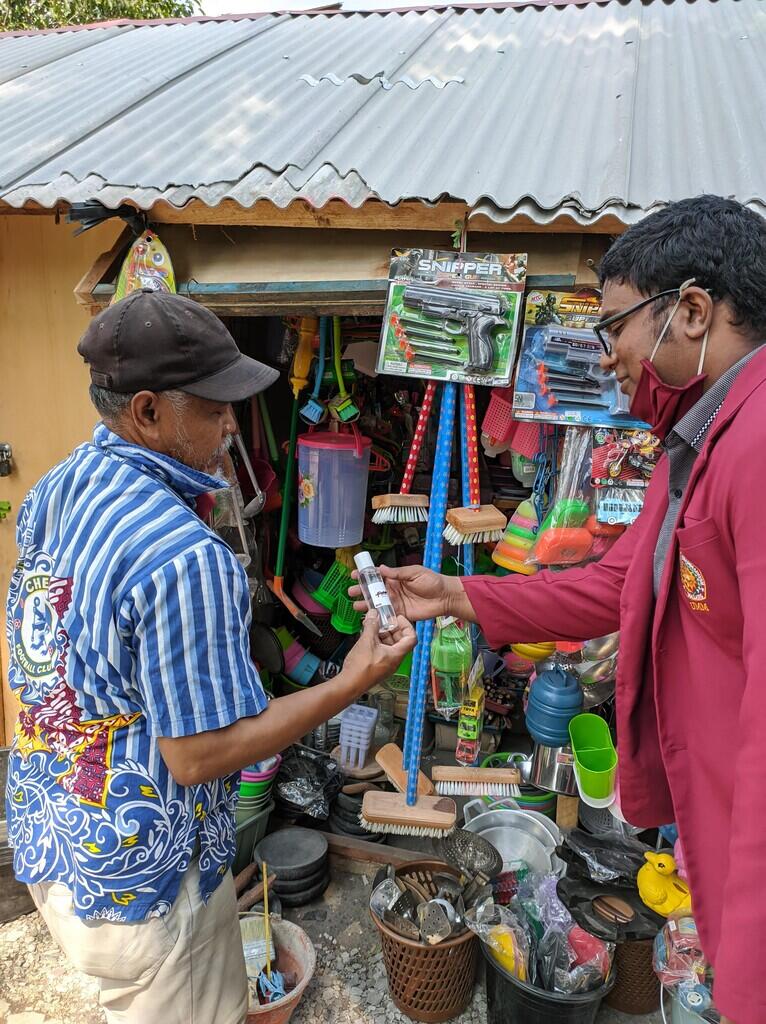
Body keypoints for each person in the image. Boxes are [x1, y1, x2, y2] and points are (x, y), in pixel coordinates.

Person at [352, 196, 766, 1024]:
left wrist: (749, 964)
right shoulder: (698, 440)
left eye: (613, 327)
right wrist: (461, 594)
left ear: (690, 310)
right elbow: (619, 585)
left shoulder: (754, 447)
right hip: (713, 833)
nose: (604, 355)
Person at [5, 289, 416, 1024]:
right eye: (215, 405)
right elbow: (199, 756)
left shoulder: (56, 489)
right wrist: (354, 677)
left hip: (56, 841)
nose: (233, 423)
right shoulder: (185, 557)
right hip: (146, 883)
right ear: (148, 411)